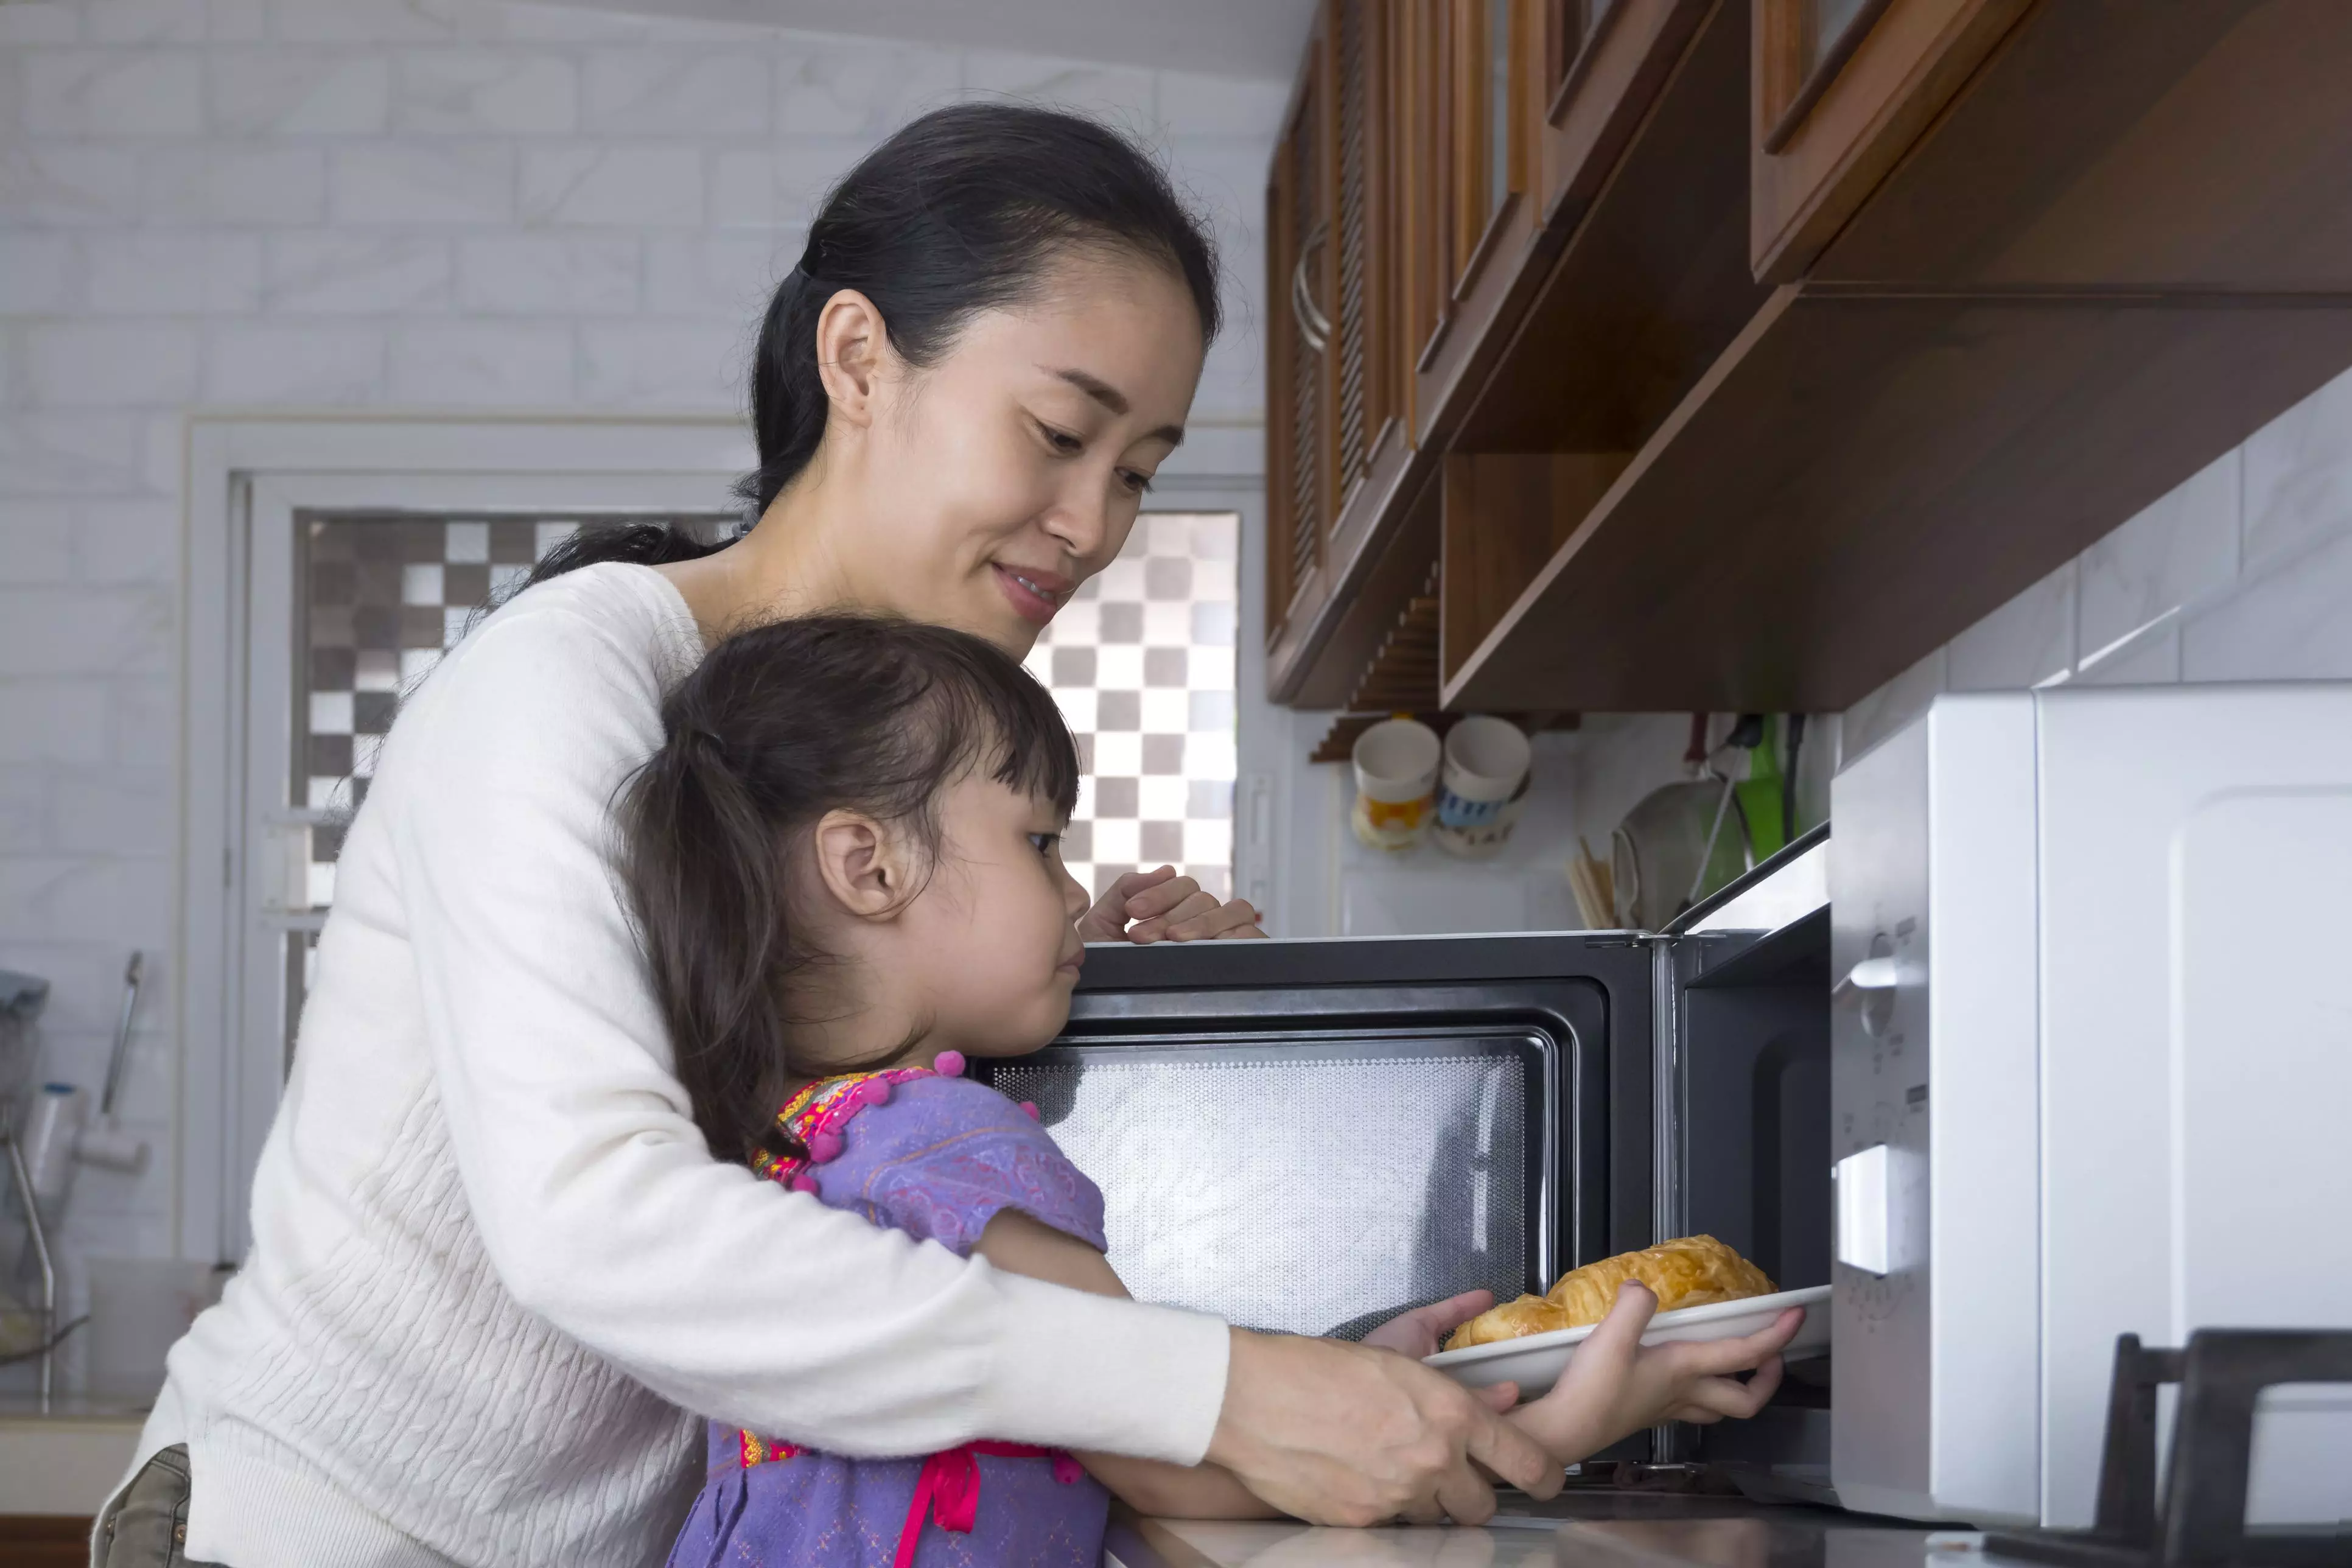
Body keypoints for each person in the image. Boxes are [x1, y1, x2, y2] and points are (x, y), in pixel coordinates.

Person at [97, 104, 1571, 1568]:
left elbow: (833, 1172)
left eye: (1136, 470)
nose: (1094, 523)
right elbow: (597, 1224)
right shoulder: (568, 682)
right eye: (1060, 433)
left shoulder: (860, 754)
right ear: (860, 358)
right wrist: (1224, 1391)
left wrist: (1049, 987)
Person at [634, 614, 1802, 1568]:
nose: (1070, 887)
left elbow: (1146, 1413)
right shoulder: (950, 1140)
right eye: (1042, 844)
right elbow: (1168, 1446)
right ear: (869, 868)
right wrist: (1560, 1426)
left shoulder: (784, 1151)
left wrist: (1373, 1379)